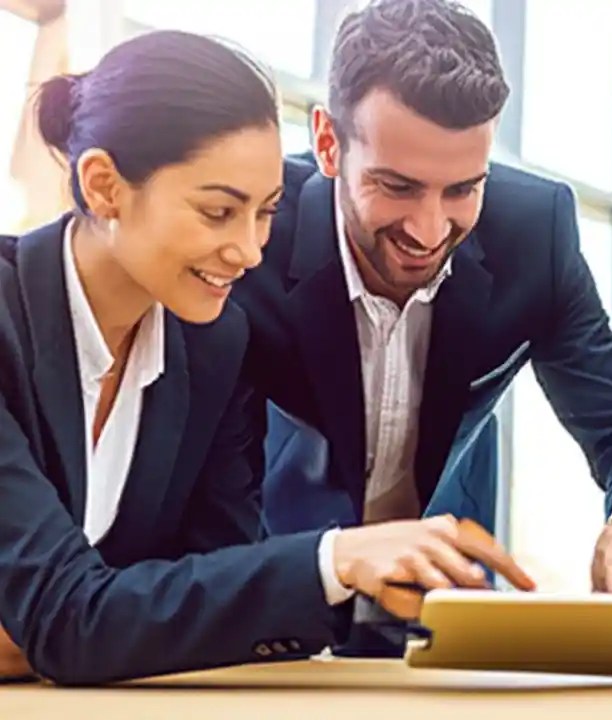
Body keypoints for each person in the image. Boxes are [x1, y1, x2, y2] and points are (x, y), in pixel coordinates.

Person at [0, 30, 532, 686]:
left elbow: (214, 588)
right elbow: (75, 620)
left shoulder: (213, 344)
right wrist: (335, 560)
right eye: (219, 211)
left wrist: (100, 621)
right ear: (105, 186)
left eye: (266, 214)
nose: (250, 251)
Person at [230, 0, 612, 651]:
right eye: (397, 186)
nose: (429, 229)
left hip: (445, 616)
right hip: (273, 603)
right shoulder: (251, 236)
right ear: (330, 143)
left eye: (462, 189)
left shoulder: (534, 236)